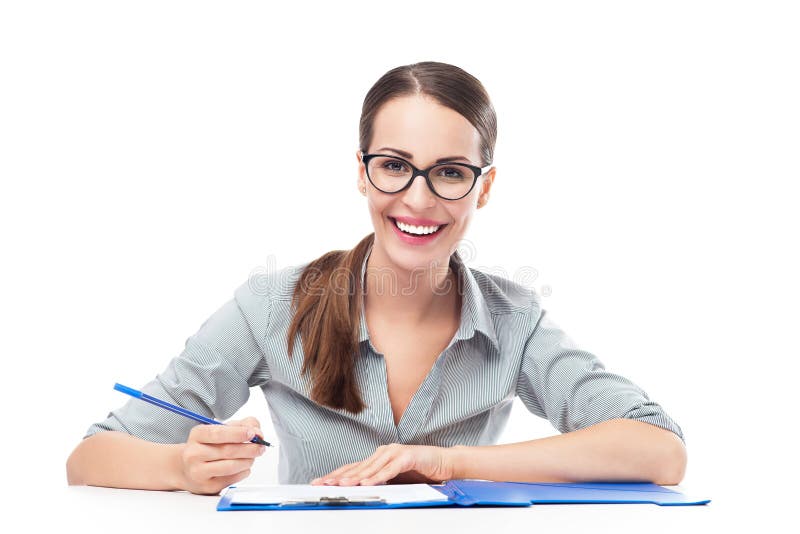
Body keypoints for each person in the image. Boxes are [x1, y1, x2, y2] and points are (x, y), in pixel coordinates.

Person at [66, 61, 687, 496]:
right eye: (394, 166)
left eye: (448, 172)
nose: (418, 199)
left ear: (484, 187)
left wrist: (444, 462)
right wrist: (182, 465)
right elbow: (89, 457)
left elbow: (660, 450)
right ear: (362, 173)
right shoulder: (271, 306)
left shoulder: (514, 322)